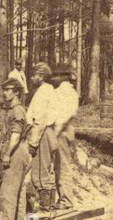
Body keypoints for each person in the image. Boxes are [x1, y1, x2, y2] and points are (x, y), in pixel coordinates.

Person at [0, 78, 31, 220]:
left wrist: (7, 154)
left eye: (8, 90)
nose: (5, 93)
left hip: (16, 151)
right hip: (21, 150)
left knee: (8, 188)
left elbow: (16, 134)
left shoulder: (17, 110)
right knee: (19, 189)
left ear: (17, 92)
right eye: (4, 90)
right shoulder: (14, 109)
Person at [49, 63, 79, 209]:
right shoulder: (68, 92)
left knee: (62, 166)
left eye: (56, 76)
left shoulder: (64, 92)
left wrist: (55, 133)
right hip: (63, 131)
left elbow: (64, 116)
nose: (53, 78)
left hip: (62, 132)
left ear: (63, 77)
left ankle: (66, 200)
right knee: (58, 166)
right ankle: (62, 198)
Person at [25, 60, 55, 203]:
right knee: (44, 168)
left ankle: (47, 205)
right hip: (45, 132)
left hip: (42, 133)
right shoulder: (45, 90)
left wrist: (34, 142)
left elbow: (40, 120)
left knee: (41, 170)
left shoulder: (44, 92)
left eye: (34, 75)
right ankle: (47, 204)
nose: (31, 78)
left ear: (41, 77)